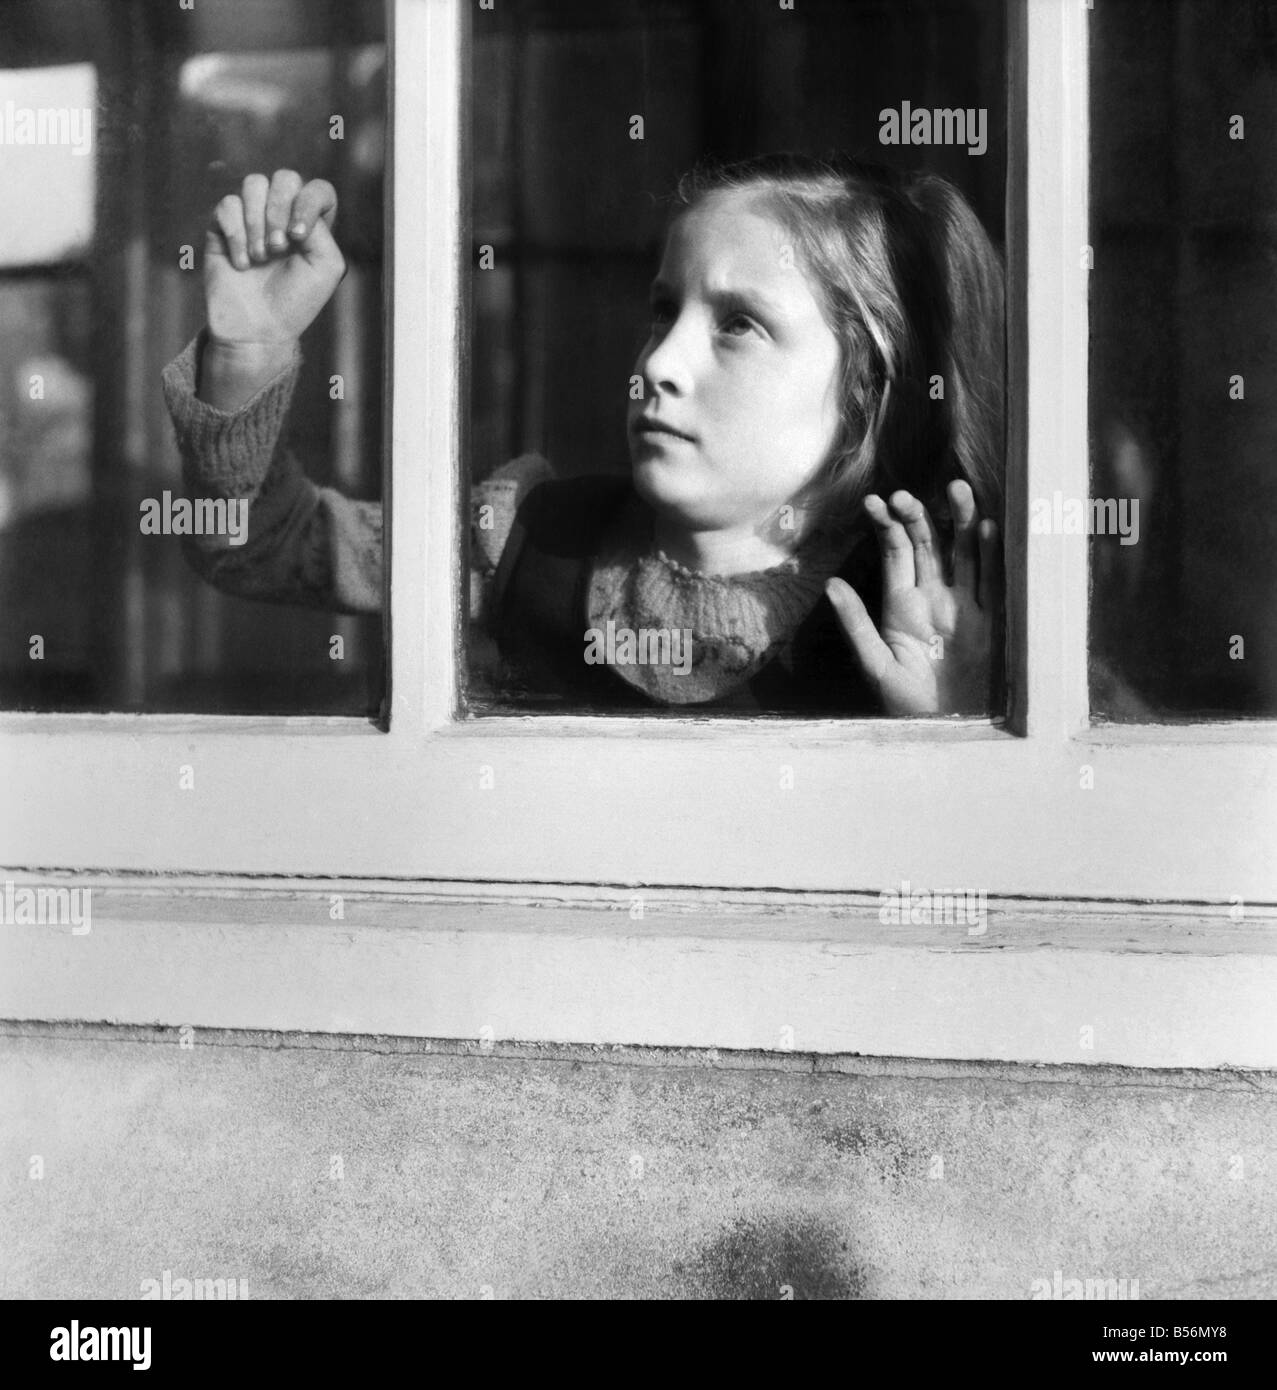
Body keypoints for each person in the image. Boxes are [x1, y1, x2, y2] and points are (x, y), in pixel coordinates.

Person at [162, 155, 1004, 714]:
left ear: (865, 390)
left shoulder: (937, 616)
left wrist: (954, 722)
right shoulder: (523, 537)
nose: (658, 362)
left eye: (738, 325)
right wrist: (245, 349)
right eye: (663, 311)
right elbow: (257, 546)